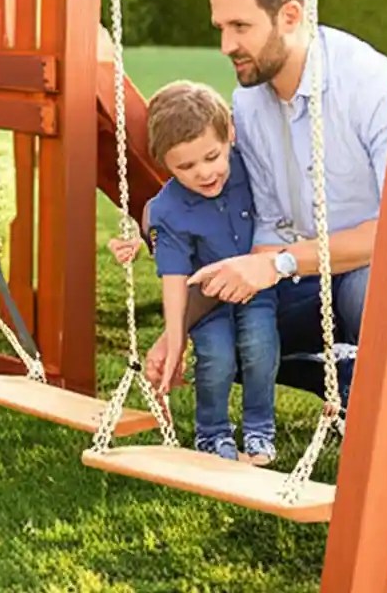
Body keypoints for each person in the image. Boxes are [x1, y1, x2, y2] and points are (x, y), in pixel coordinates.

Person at [145, 0, 387, 487]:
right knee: (239, 343)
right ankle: (354, 380)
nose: (226, 45)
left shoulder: (373, 87)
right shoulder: (249, 105)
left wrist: (283, 264)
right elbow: (262, 234)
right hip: (322, 263)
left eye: (240, 25)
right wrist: (180, 329)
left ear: (290, 15)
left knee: (365, 289)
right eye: (220, 26)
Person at [110, 80, 281, 465]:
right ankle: (212, 434)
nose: (204, 173)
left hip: (257, 286)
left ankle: (258, 430)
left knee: (259, 347)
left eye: (211, 157)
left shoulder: (249, 168)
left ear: (229, 137)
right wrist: (175, 340)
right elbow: (174, 280)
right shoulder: (169, 210)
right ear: (165, 165)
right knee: (217, 357)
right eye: (185, 166)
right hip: (208, 301)